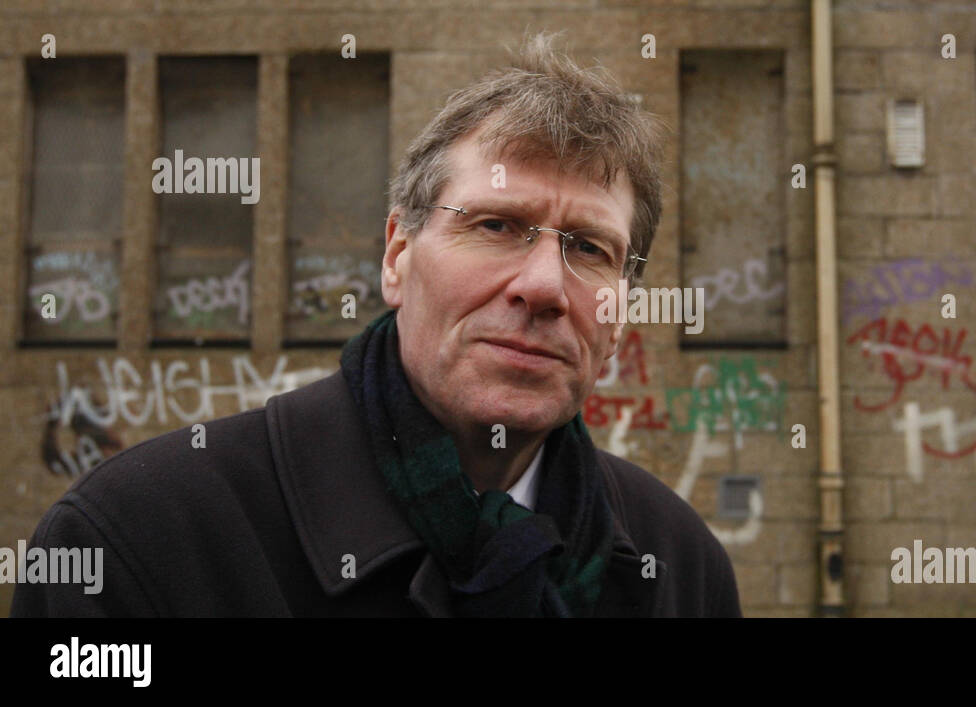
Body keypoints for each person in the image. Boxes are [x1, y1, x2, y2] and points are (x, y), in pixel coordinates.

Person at [12, 31, 742, 618]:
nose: (544, 285)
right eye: (497, 224)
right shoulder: (139, 541)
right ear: (397, 255)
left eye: (589, 248)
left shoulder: (681, 566)